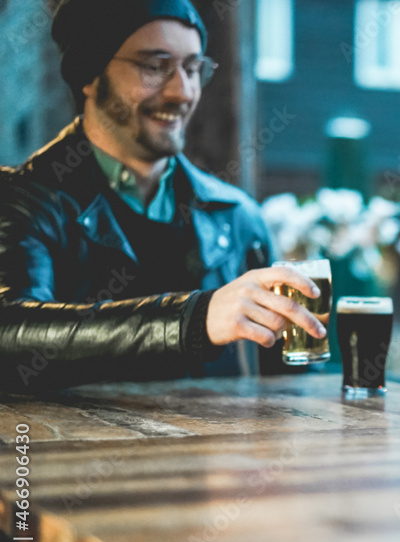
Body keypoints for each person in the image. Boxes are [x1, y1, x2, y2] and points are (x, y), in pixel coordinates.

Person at [0, 0, 324, 392]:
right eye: (154, 67)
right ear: (89, 74)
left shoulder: (237, 216)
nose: (182, 92)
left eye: (191, 68)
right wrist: (195, 320)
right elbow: (10, 335)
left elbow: (287, 382)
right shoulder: (21, 200)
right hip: (72, 452)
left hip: (215, 452)